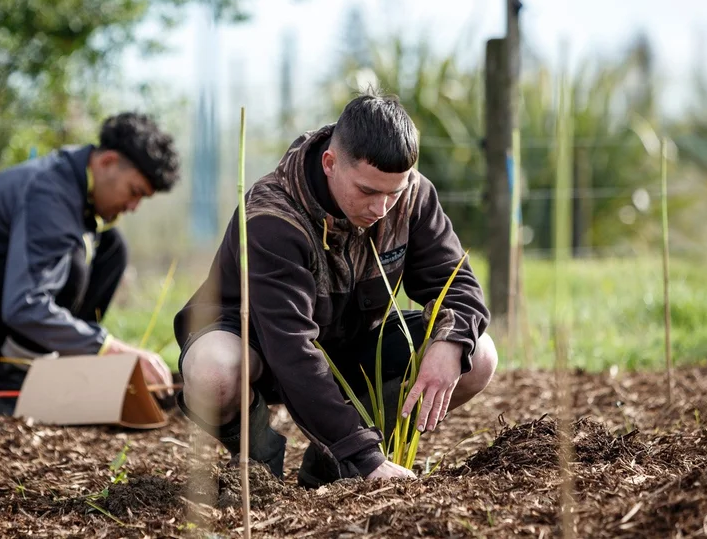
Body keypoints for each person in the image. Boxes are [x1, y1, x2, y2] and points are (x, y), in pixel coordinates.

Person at [173, 90, 497, 487]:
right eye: (367, 191)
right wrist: (363, 457)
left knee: (477, 354)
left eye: (393, 193)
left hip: (351, 344)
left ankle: (328, 467)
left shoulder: (413, 195)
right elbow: (291, 347)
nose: (381, 208)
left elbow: (457, 283)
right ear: (330, 163)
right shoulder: (271, 217)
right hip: (262, 348)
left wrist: (451, 342)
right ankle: (259, 464)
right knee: (213, 373)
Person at [0, 112, 180, 415]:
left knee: (112, 248)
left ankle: (57, 372)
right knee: (72, 263)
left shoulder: (71, 183)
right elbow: (24, 304)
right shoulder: (49, 193)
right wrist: (110, 348)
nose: (133, 207)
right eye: (134, 192)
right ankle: (15, 383)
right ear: (107, 162)